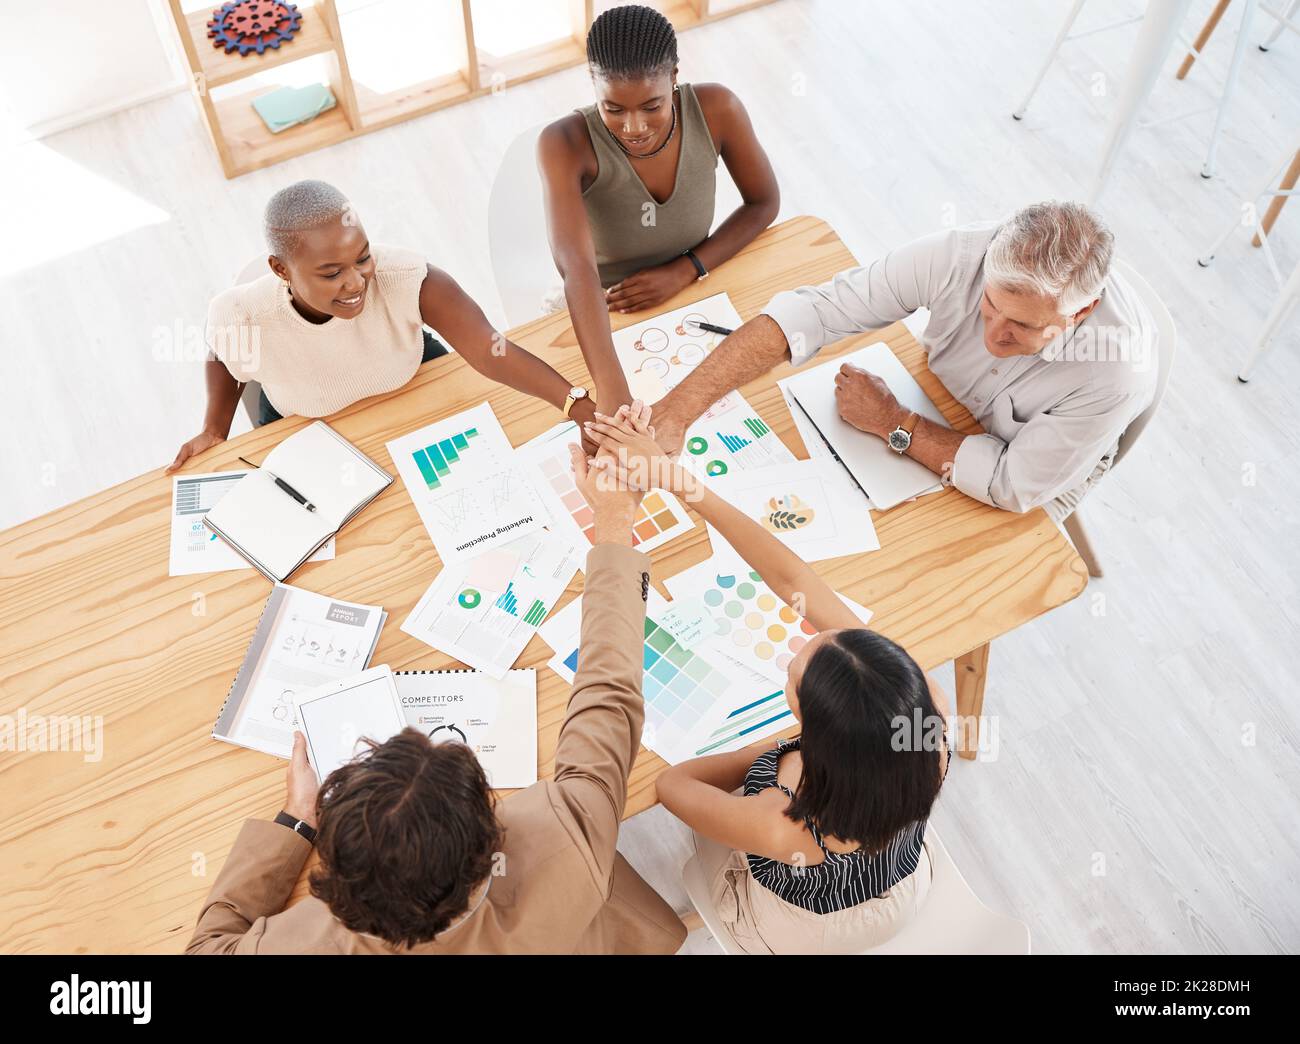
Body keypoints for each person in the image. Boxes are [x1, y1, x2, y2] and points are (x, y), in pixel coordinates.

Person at [186, 405, 686, 954]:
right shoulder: (567, 837)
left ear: (340, 884)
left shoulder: (312, 944)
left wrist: (297, 821)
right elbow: (609, 696)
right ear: (491, 838)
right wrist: (614, 522)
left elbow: (209, 945)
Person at [582, 408, 949, 955]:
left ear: (818, 737)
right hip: (901, 883)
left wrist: (771, 754)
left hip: (806, 931)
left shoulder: (782, 825)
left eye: (794, 672)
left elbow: (672, 787)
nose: (794, 653)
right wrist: (679, 482)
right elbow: (793, 579)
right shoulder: (925, 718)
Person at [649, 201, 1158, 523]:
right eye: (990, 303)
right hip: (938, 392)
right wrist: (674, 413)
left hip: (1038, 473)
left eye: (1023, 327)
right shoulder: (959, 254)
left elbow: (1013, 484)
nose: (995, 335)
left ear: (1083, 311)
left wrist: (896, 424)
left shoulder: (1116, 372)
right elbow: (817, 311)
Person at [167, 179, 600, 472]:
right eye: (331, 272)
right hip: (306, 424)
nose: (356, 282)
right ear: (281, 270)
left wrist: (579, 407)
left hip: (414, 385)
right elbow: (223, 360)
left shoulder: (408, 278)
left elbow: (490, 351)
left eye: (362, 258)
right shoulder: (243, 315)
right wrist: (213, 428)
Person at [537, 2, 779, 409]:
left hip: (698, 282)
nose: (634, 128)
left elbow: (764, 203)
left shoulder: (719, 109)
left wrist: (686, 269)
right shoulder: (562, 144)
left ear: (675, 78)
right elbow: (577, 270)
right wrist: (611, 387)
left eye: (652, 106)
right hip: (599, 303)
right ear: (592, 83)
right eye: (613, 109)